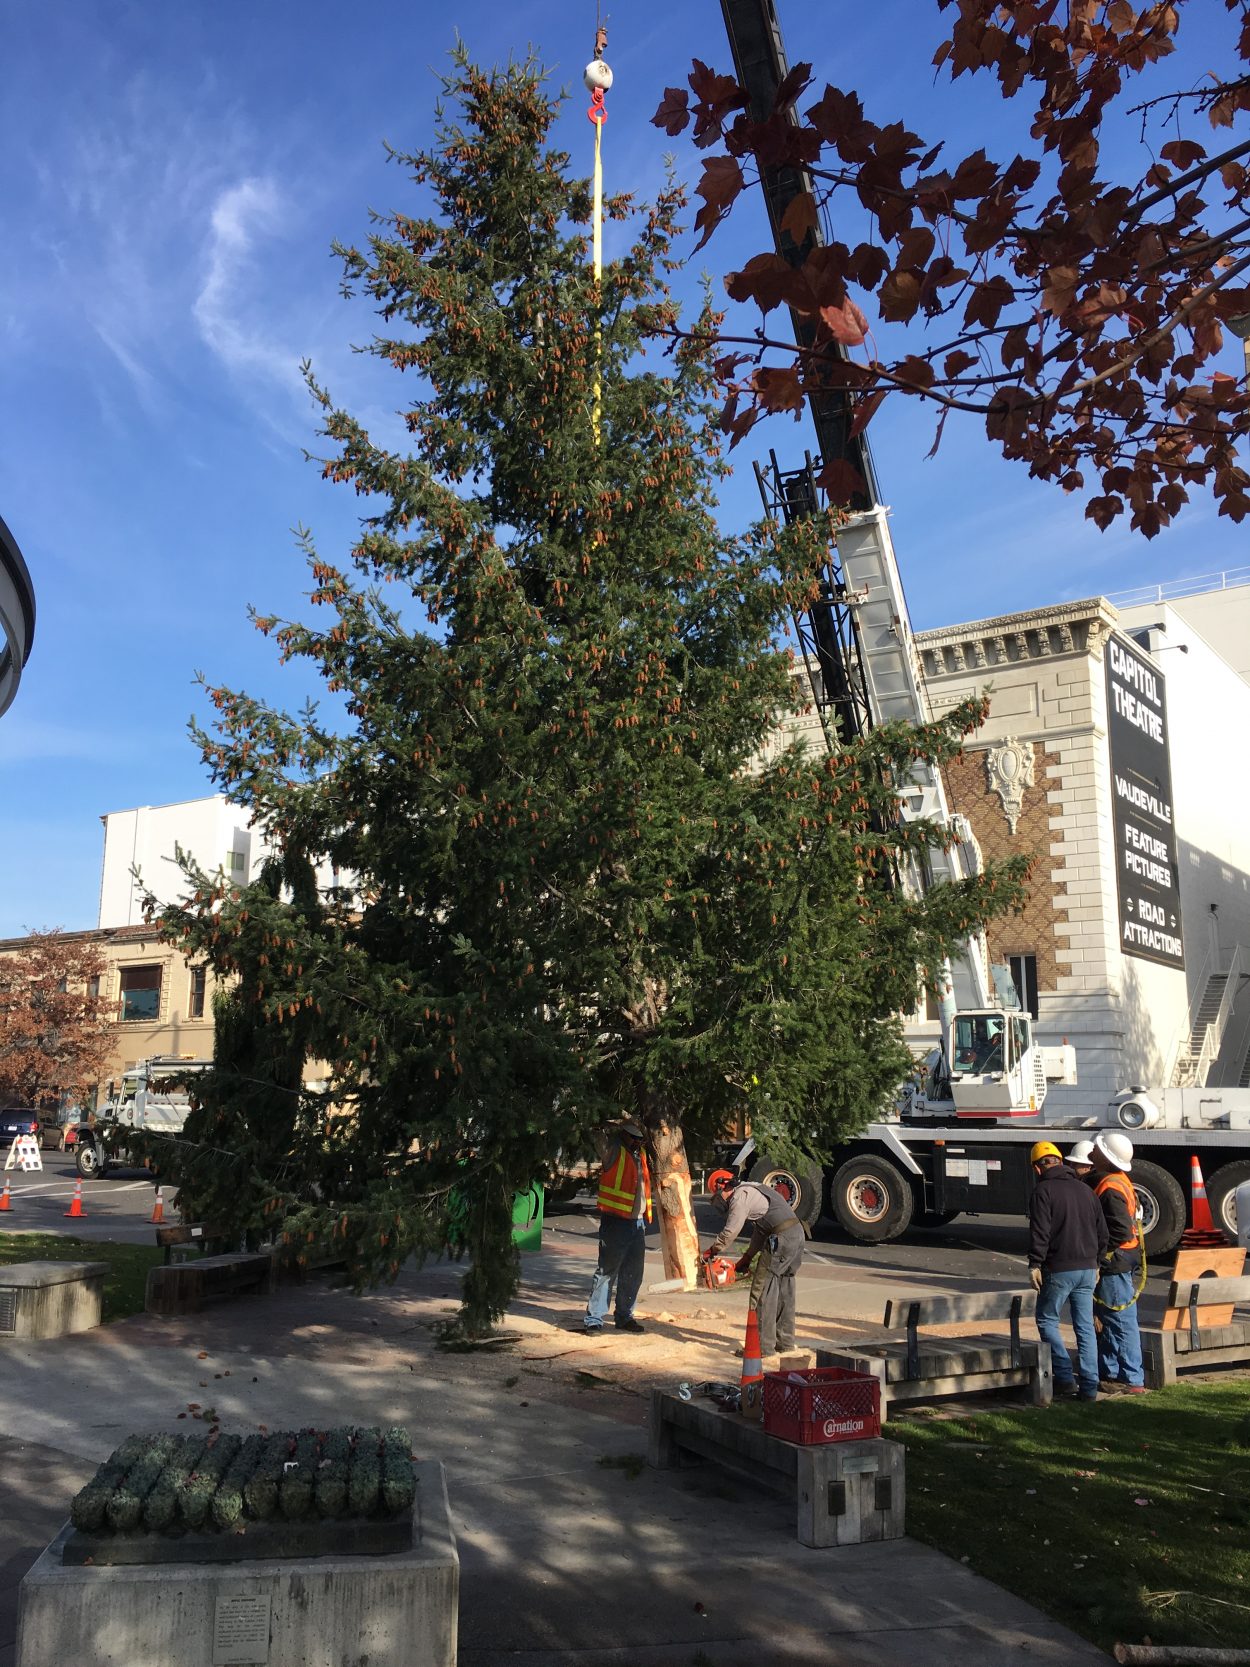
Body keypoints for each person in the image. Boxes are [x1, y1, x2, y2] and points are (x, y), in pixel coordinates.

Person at [1026, 1139, 1107, 1400]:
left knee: (1047, 1318)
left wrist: (1035, 1264)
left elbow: (1040, 1232)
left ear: (1038, 1168)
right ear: (1061, 1162)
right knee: (1084, 1327)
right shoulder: (1086, 1191)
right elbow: (1102, 1233)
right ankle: (1090, 1387)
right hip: (1087, 1268)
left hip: (1059, 1268)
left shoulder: (1043, 1192)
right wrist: (1097, 1262)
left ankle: (1063, 1378)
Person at [704, 1177, 804, 1361]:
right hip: (796, 1235)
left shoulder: (739, 1197)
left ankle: (762, 1346)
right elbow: (761, 1231)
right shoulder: (754, 1188)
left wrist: (712, 1250)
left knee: (762, 1290)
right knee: (784, 1288)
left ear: (723, 1187)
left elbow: (731, 1231)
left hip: (781, 1238)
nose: (720, 1202)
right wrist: (747, 1258)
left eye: (718, 1196)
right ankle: (785, 1343)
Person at [1090, 1130, 1147, 1393]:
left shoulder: (1111, 1187)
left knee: (1120, 1321)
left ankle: (1132, 1378)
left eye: (1098, 1149)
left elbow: (1120, 1231)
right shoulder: (1118, 1180)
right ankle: (1112, 1373)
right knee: (1112, 1320)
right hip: (1123, 1258)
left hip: (1116, 1261)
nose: (1093, 1152)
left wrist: (1102, 1257)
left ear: (1108, 1157)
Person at [583, 1119, 651, 1334]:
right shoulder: (612, 1151)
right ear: (625, 1135)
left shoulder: (639, 1155)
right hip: (616, 1221)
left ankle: (625, 1316)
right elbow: (597, 1135)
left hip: (637, 1222)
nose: (638, 1143)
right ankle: (594, 1318)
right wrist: (605, 1124)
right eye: (634, 1138)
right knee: (607, 1270)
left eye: (640, 1139)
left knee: (633, 1273)